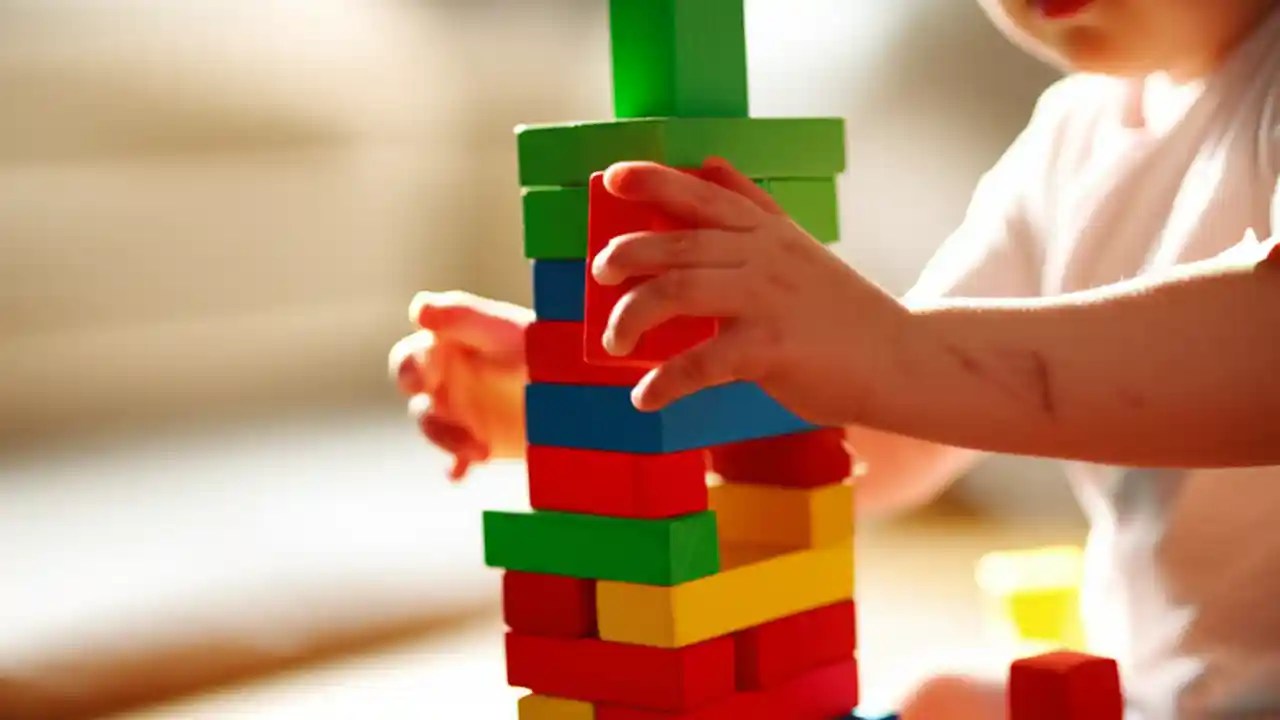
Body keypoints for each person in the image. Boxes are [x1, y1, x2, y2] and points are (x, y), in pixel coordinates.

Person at [390, 0, 1280, 716]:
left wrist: (891, 351)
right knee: (938, 699)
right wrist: (601, 406)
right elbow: (883, 437)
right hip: (1162, 688)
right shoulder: (1066, 141)